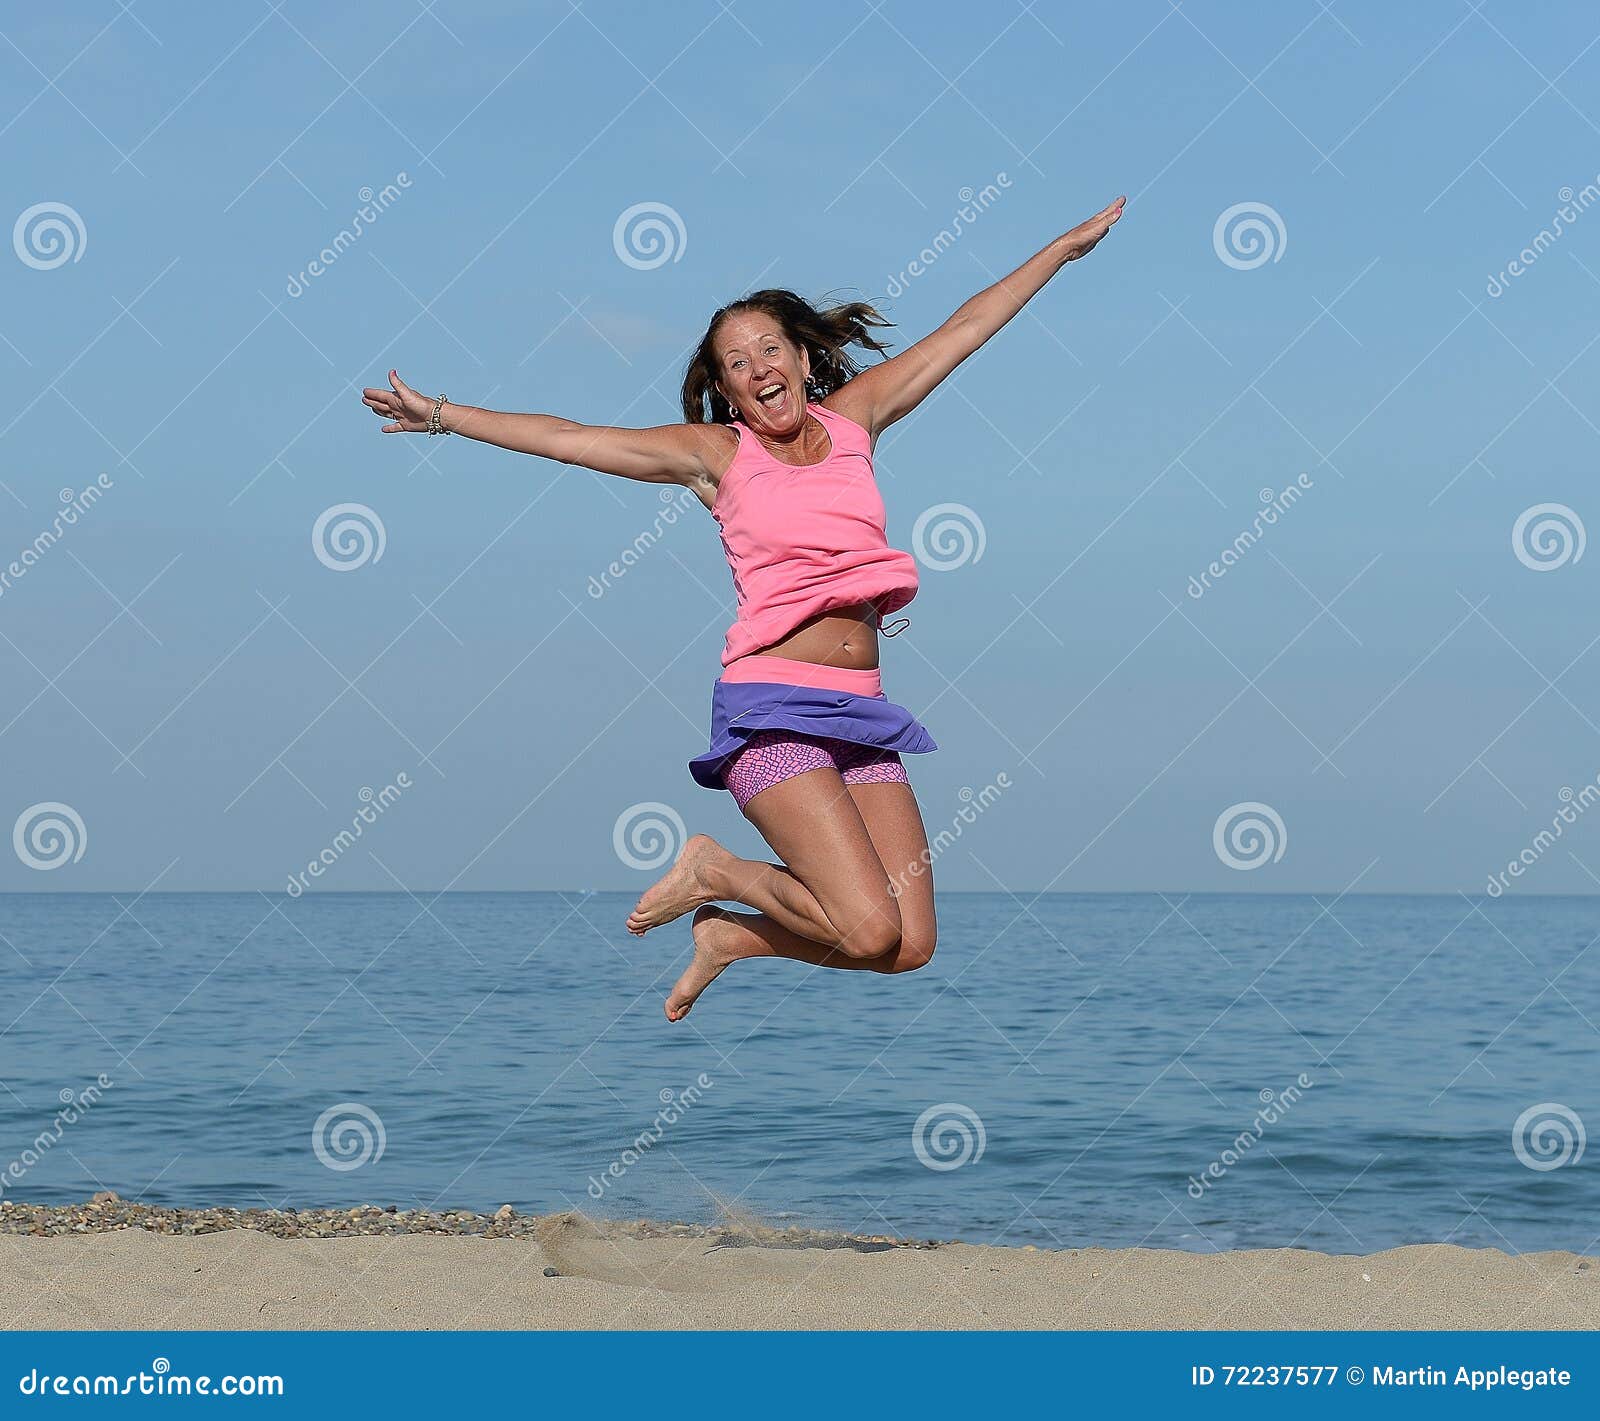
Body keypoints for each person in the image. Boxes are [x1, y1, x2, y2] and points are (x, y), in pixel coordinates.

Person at [362, 196, 1125, 1019]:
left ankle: (730, 935)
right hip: (773, 711)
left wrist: (1059, 251)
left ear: (803, 358)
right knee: (867, 932)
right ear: (726, 390)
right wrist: (442, 416)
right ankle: (716, 870)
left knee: (908, 946)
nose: (759, 367)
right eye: (736, 361)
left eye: (770, 348)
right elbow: (568, 437)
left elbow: (966, 328)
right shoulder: (718, 456)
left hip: (862, 713)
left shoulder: (858, 417)